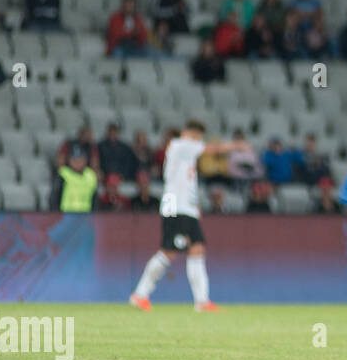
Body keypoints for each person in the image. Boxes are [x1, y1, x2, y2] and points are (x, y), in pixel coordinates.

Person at [128, 121, 251, 312]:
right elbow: (214, 148)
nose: (199, 143)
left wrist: (195, 206)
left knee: (197, 249)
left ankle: (202, 301)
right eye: (197, 138)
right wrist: (238, 145)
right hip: (175, 205)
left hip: (187, 207)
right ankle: (140, 294)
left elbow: (187, 183)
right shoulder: (180, 145)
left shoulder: (187, 154)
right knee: (168, 250)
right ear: (190, 134)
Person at [57, 148, 98, 213]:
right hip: (66, 214)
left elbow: (95, 198)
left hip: (86, 215)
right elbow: (55, 197)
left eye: (80, 160)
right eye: (74, 160)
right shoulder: (63, 174)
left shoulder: (91, 175)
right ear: (69, 160)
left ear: (85, 160)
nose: (77, 163)